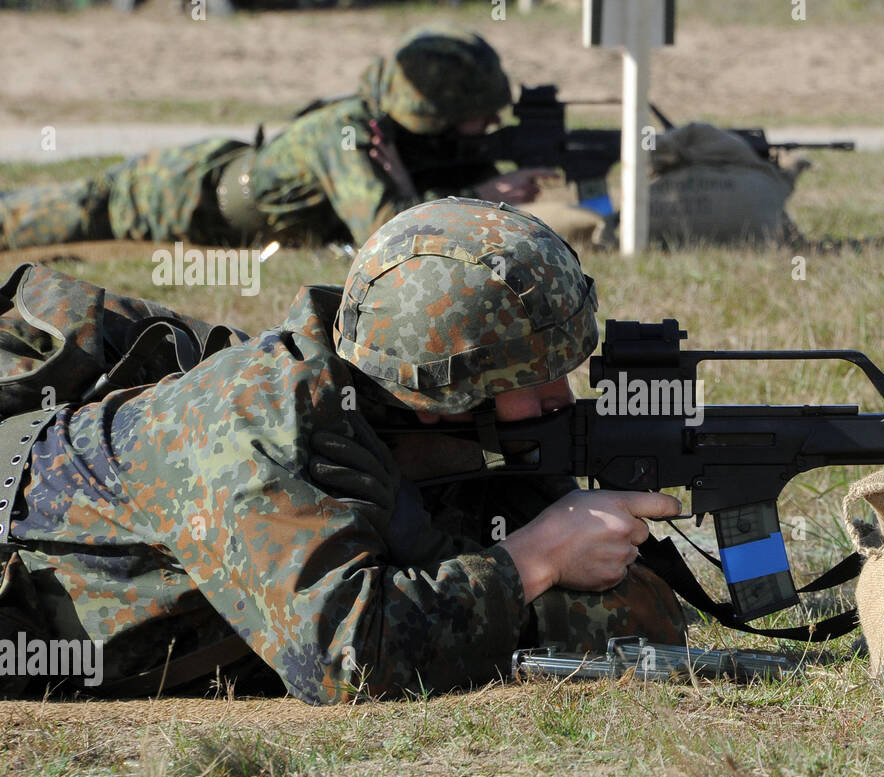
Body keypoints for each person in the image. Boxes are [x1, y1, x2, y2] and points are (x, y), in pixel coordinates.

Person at [0, 197, 686, 703]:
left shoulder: (383, 409)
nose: (560, 397)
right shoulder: (262, 436)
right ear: (439, 385)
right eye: (531, 379)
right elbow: (347, 664)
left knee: (612, 617)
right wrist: (534, 558)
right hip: (31, 592)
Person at [0, 26, 552, 251]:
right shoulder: (345, 134)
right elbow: (386, 237)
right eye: (477, 116)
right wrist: (484, 192)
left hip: (223, 175)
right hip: (176, 196)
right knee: (70, 211)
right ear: (435, 111)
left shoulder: (399, 135)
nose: (487, 127)